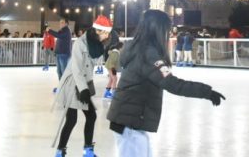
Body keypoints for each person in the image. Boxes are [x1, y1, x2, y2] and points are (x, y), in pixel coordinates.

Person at [107, 10, 225, 157]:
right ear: (157, 29)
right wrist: (207, 92)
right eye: (166, 30)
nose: (168, 34)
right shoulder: (148, 54)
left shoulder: (140, 49)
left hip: (130, 121)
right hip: (129, 124)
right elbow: (172, 84)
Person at [53, 15, 112, 157]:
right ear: (98, 31)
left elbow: (95, 62)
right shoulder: (80, 43)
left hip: (84, 84)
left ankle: (87, 150)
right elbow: (76, 68)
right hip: (72, 84)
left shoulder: (97, 44)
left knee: (91, 116)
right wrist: (83, 89)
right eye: (106, 33)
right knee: (72, 120)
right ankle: (60, 151)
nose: (107, 36)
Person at [48, 17, 73, 92]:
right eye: (60, 22)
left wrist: (49, 30)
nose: (60, 24)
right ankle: (61, 86)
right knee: (59, 71)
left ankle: (65, 87)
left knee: (63, 71)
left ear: (66, 23)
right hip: (59, 54)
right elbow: (58, 38)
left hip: (64, 54)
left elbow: (58, 35)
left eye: (62, 22)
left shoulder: (66, 31)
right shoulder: (62, 30)